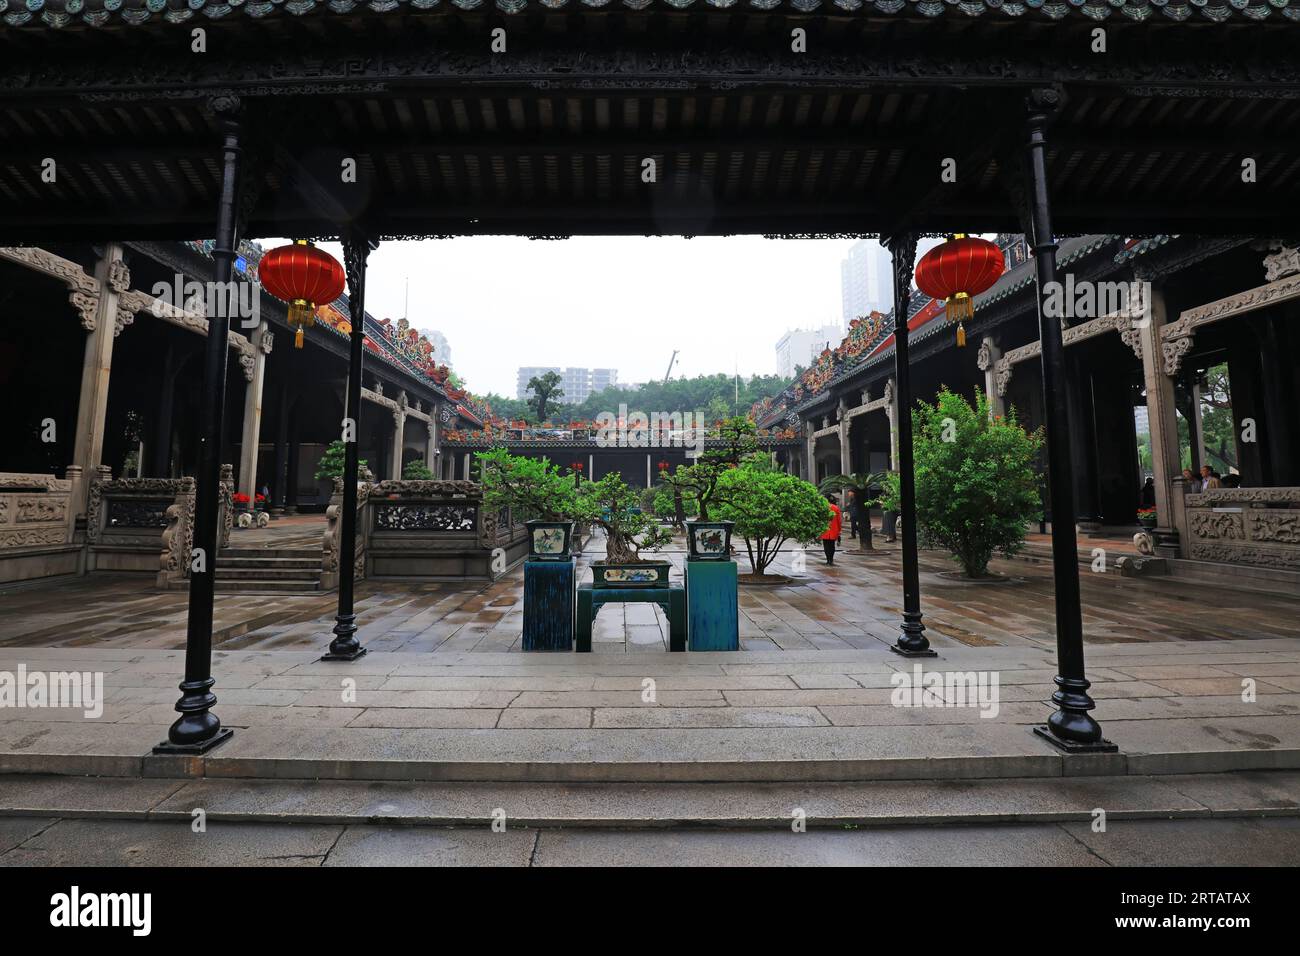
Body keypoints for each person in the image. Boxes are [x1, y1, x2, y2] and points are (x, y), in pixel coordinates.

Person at [821, 495, 842, 566]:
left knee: (826, 545)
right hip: (834, 529)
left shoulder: (823, 507)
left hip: (825, 529)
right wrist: (839, 530)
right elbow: (839, 520)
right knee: (832, 545)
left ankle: (828, 560)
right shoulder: (836, 508)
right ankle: (831, 560)